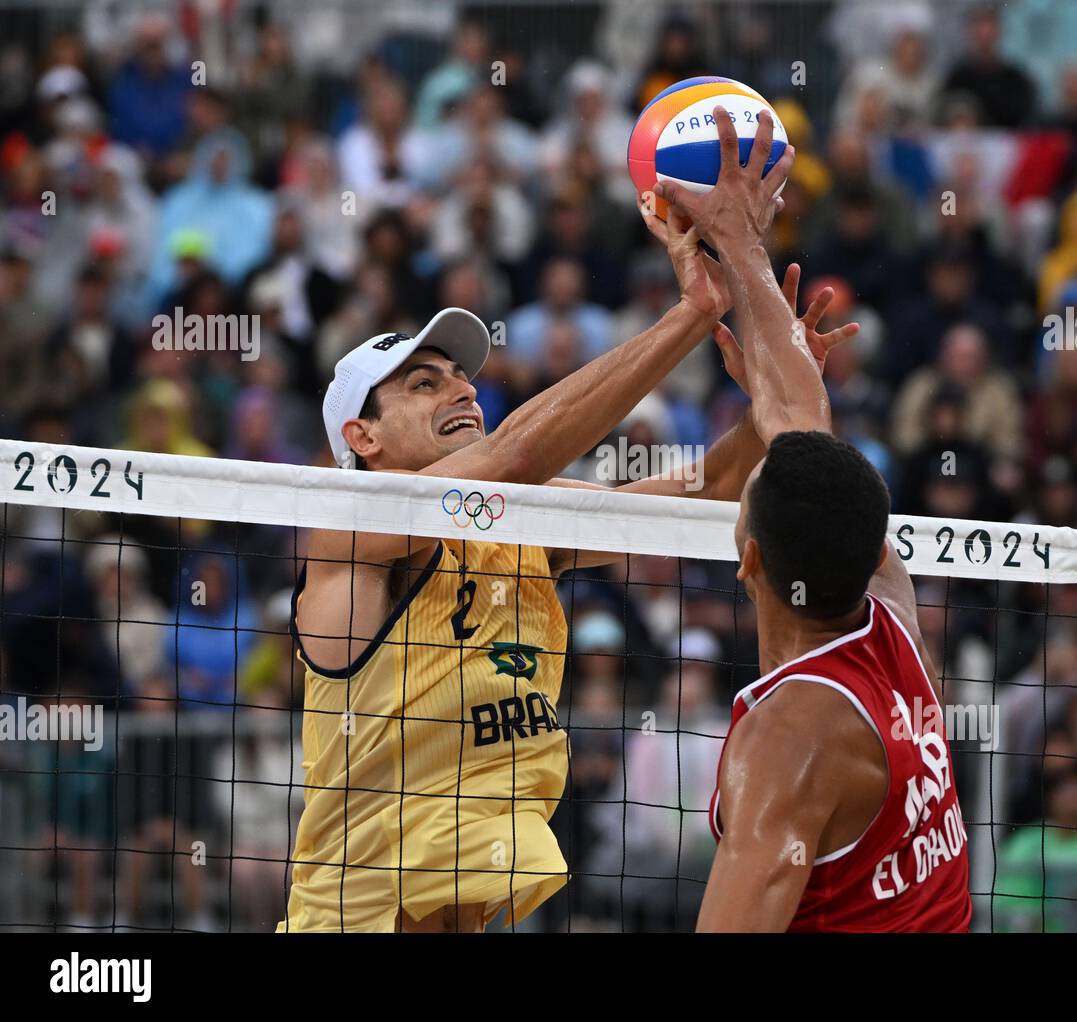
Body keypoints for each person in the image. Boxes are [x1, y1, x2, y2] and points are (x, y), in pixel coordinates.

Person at [279, 186, 857, 932]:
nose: (460, 388)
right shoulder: (349, 532)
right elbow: (516, 453)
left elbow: (713, 486)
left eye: (460, 376)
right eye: (424, 384)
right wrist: (692, 314)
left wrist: (777, 396)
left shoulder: (522, 524)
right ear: (363, 438)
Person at [654, 107, 971, 931]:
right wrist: (745, 251)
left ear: (749, 561)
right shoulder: (891, 614)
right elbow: (801, 432)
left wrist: (732, 244)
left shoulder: (788, 742)